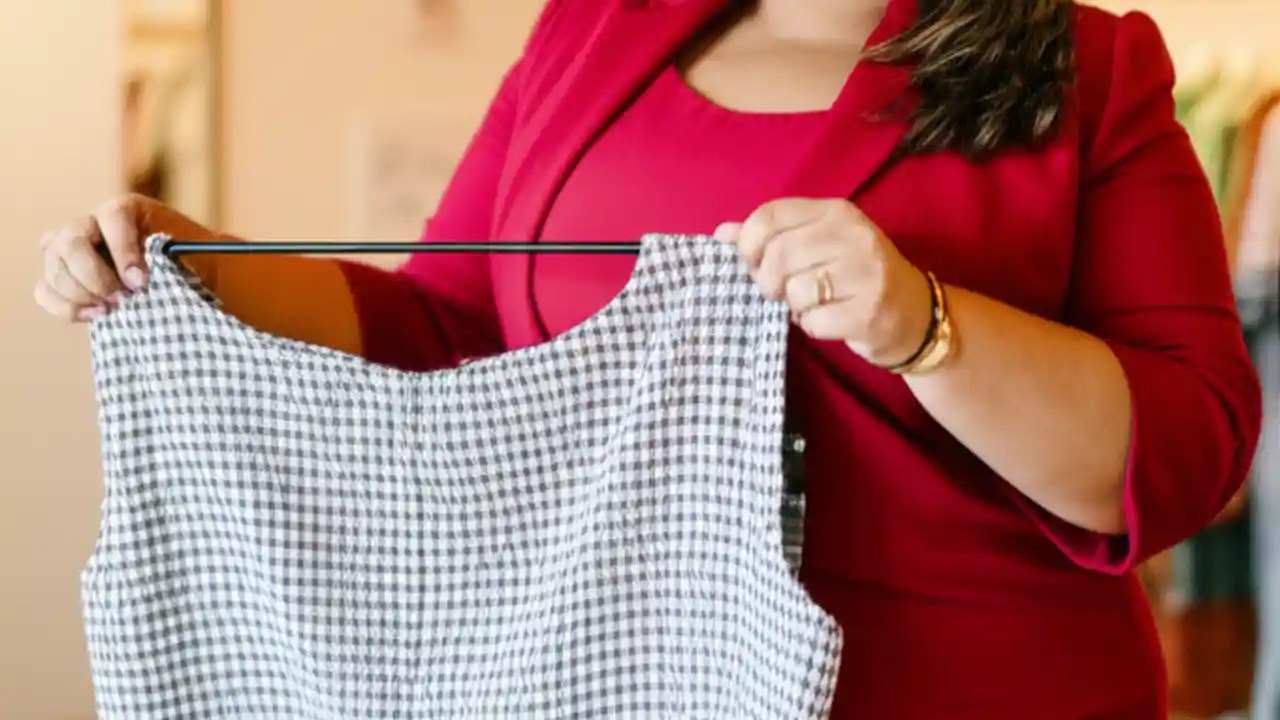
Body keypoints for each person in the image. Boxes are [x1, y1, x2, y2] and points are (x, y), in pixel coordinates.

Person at [35, 0, 1264, 716]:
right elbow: (446, 334)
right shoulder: (591, 33)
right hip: (612, 690)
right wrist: (186, 262)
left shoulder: (1085, 67)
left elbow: (1188, 452)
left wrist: (921, 326)